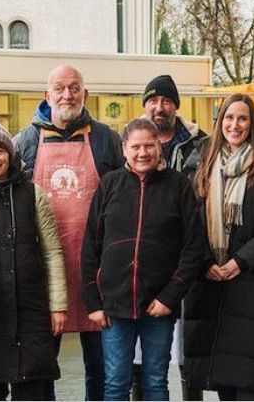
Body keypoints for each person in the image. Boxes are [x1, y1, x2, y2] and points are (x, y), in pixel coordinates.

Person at [14, 64, 124, 401]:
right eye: (59, 88)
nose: (67, 94)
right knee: (43, 364)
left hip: (97, 270)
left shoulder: (107, 139)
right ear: (46, 95)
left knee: (102, 368)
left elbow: (122, 198)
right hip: (45, 272)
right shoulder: (25, 141)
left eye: (74, 88)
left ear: (85, 94)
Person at [81, 118, 209, 401]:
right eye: (135, 146)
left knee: (155, 382)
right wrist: (93, 301)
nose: (142, 153)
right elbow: (90, 245)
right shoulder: (109, 185)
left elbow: (193, 249)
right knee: (115, 384)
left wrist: (170, 297)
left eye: (149, 145)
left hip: (158, 308)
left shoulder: (179, 187)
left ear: (159, 146)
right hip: (114, 308)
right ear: (125, 149)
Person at [180, 94, 254, 401]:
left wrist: (240, 262)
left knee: (247, 381)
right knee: (222, 379)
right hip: (209, 281)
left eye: (242, 118)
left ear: (252, 123)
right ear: (220, 122)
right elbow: (187, 220)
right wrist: (206, 262)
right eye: (229, 118)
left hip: (253, 282)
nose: (235, 125)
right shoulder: (200, 164)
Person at [0, 119, 68, 401]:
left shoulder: (33, 194)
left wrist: (58, 306)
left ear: (11, 153)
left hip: (30, 308)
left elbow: (52, 252)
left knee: (31, 387)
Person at [139, 74, 209, 400]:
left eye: (166, 100)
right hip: (146, 261)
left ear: (176, 106)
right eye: (153, 100)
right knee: (141, 359)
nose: (159, 107)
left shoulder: (202, 144)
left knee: (188, 352)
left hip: (188, 260)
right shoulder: (132, 144)